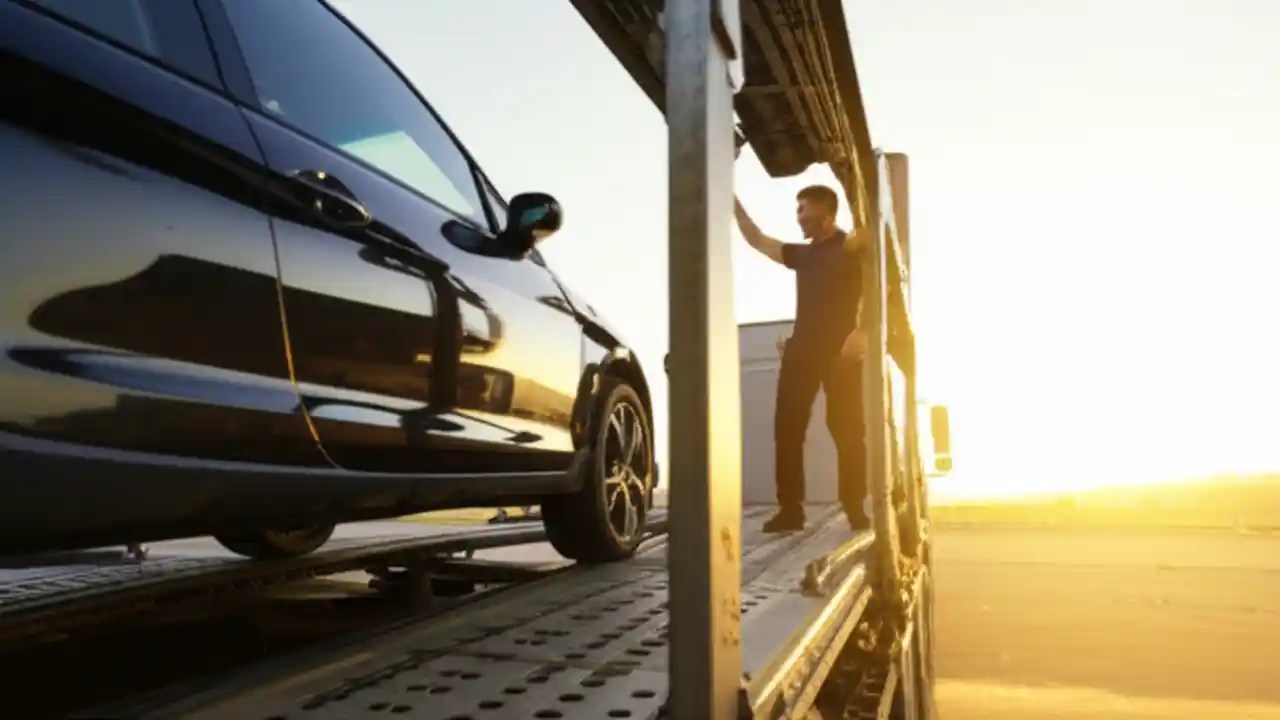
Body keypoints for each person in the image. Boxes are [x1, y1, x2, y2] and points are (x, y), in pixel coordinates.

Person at [734, 185, 870, 533]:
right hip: (801, 352)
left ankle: (855, 507)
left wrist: (862, 332)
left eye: (803, 210)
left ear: (826, 213)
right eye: (797, 210)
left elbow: (875, 282)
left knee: (847, 430)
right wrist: (730, 200)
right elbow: (756, 238)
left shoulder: (851, 245)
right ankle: (791, 510)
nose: (798, 217)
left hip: (840, 353)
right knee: (788, 429)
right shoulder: (801, 255)